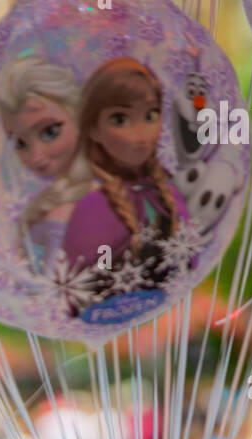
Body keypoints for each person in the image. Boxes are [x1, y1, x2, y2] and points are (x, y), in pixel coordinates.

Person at [61, 58, 189, 304]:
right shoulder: (89, 208)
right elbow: (79, 293)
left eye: (150, 116)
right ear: (93, 129)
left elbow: (191, 268)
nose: (140, 134)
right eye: (120, 119)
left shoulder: (170, 195)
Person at [0, 56, 93, 275]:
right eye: (20, 143)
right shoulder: (46, 202)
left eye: (50, 132)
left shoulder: (102, 196)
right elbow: (35, 287)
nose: (36, 157)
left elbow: (55, 291)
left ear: (79, 115)